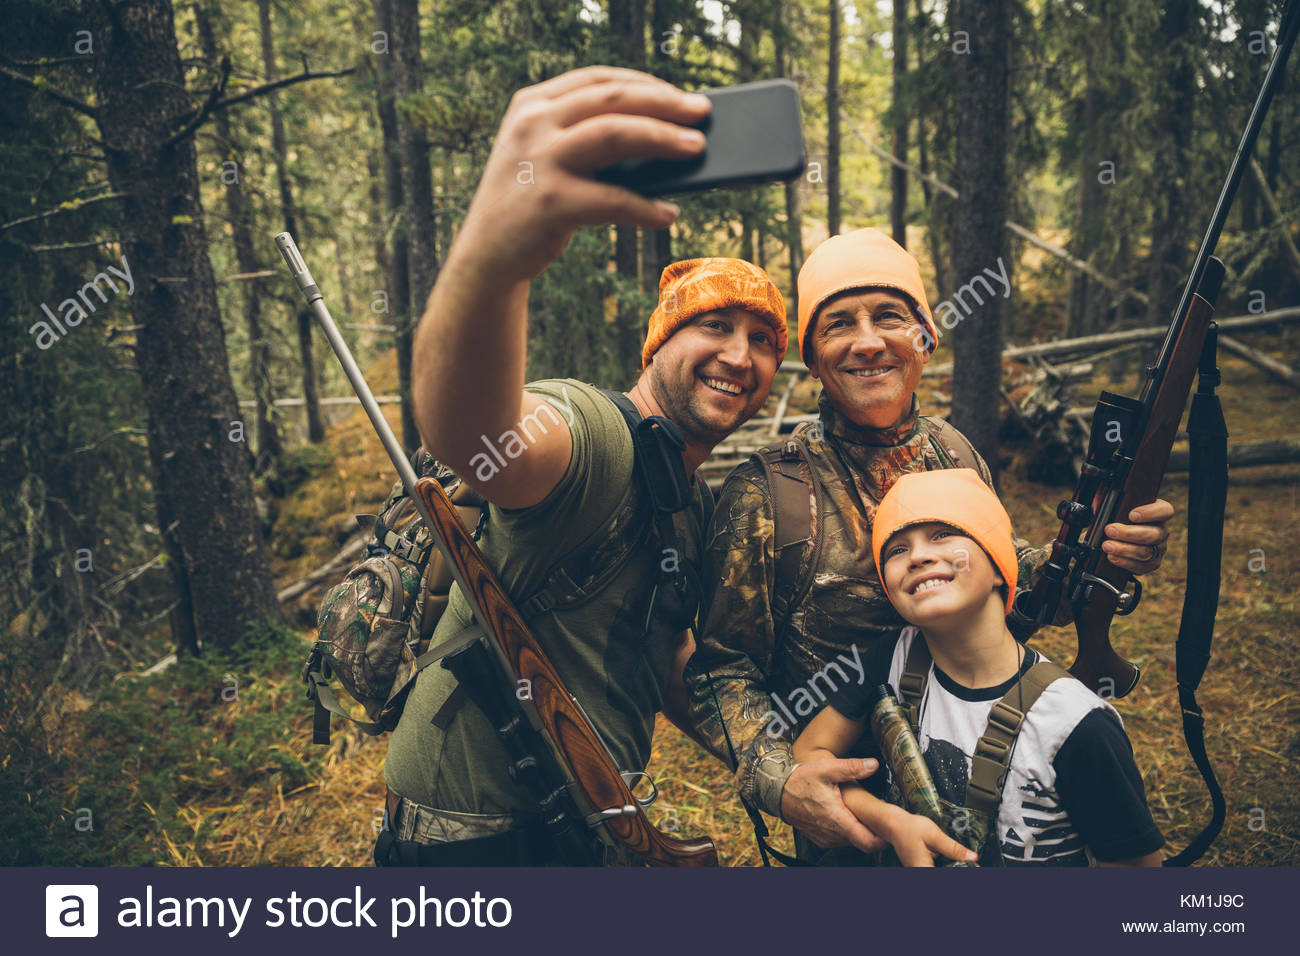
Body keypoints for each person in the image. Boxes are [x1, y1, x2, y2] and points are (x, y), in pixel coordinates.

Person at [377, 67, 788, 866]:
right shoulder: (596, 434)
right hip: (473, 847)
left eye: (766, 339)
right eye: (715, 325)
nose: (741, 355)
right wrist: (494, 266)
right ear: (659, 343)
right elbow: (475, 439)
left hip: (592, 836)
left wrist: (779, 771)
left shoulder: (693, 502)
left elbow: (669, 660)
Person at [685, 227, 1174, 864]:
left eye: (889, 316)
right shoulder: (766, 493)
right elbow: (721, 672)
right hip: (853, 832)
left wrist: (1099, 559)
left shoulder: (954, 449)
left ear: (925, 336)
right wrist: (786, 782)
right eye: (837, 324)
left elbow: (1003, 573)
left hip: (991, 802)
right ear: (812, 354)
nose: (867, 342)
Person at [792, 468, 1165, 866]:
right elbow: (810, 753)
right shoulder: (890, 659)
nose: (918, 556)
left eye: (943, 535)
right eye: (897, 550)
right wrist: (891, 821)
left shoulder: (1076, 725)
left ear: (999, 567)